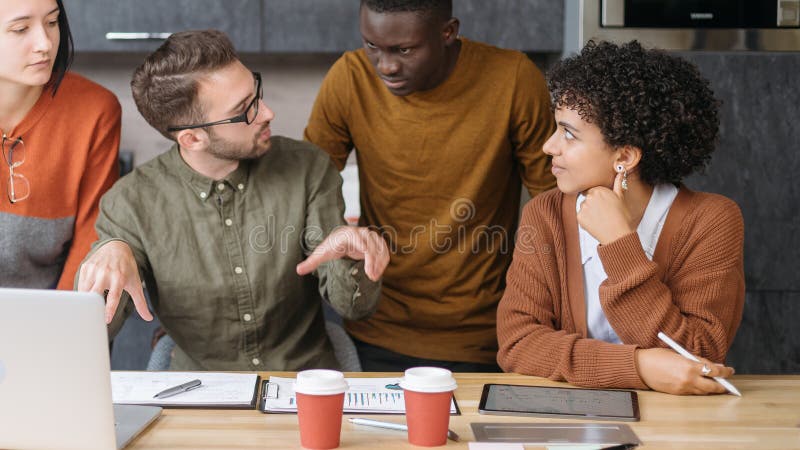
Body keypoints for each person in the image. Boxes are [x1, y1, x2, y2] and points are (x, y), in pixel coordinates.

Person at [76, 30, 389, 371]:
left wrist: (353, 257)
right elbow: (93, 331)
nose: (267, 112)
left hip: (301, 388)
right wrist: (105, 261)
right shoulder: (130, 202)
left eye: (257, 94)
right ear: (192, 138)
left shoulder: (307, 168)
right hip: (198, 399)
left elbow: (355, 308)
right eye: (245, 110)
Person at [304, 0, 556, 371]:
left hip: (486, 337)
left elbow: (556, 203)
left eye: (404, 50)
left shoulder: (514, 78)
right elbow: (307, 185)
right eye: (372, 45)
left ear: (448, 32)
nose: (386, 66)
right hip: (376, 330)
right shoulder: (350, 77)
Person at [496, 40, 745, 395]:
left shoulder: (712, 221)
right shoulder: (545, 214)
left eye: (568, 133)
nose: (548, 147)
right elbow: (518, 344)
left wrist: (619, 244)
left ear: (625, 157)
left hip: (680, 427)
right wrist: (638, 367)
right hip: (573, 424)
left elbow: (699, 356)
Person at [0, 0, 120, 289]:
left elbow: (91, 245)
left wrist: (63, 326)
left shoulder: (95, 111)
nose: (45, 43)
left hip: (52, 319)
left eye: (52, 23)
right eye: (20, 29)